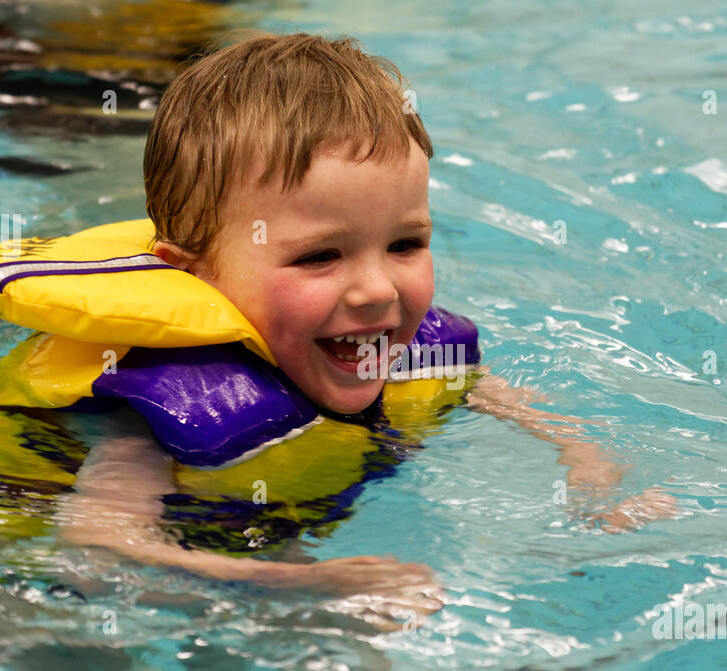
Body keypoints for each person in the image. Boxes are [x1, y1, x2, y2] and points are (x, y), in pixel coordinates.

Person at [55, 32, 677, 621]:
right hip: (111, 585)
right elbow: (99, 540)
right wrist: (304, 586)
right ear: (195, 274)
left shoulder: (412, 351)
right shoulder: (155, 412)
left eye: (405, 244)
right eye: (320, 256)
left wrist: (591, 471)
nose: (379, 290)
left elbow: (502, 396)